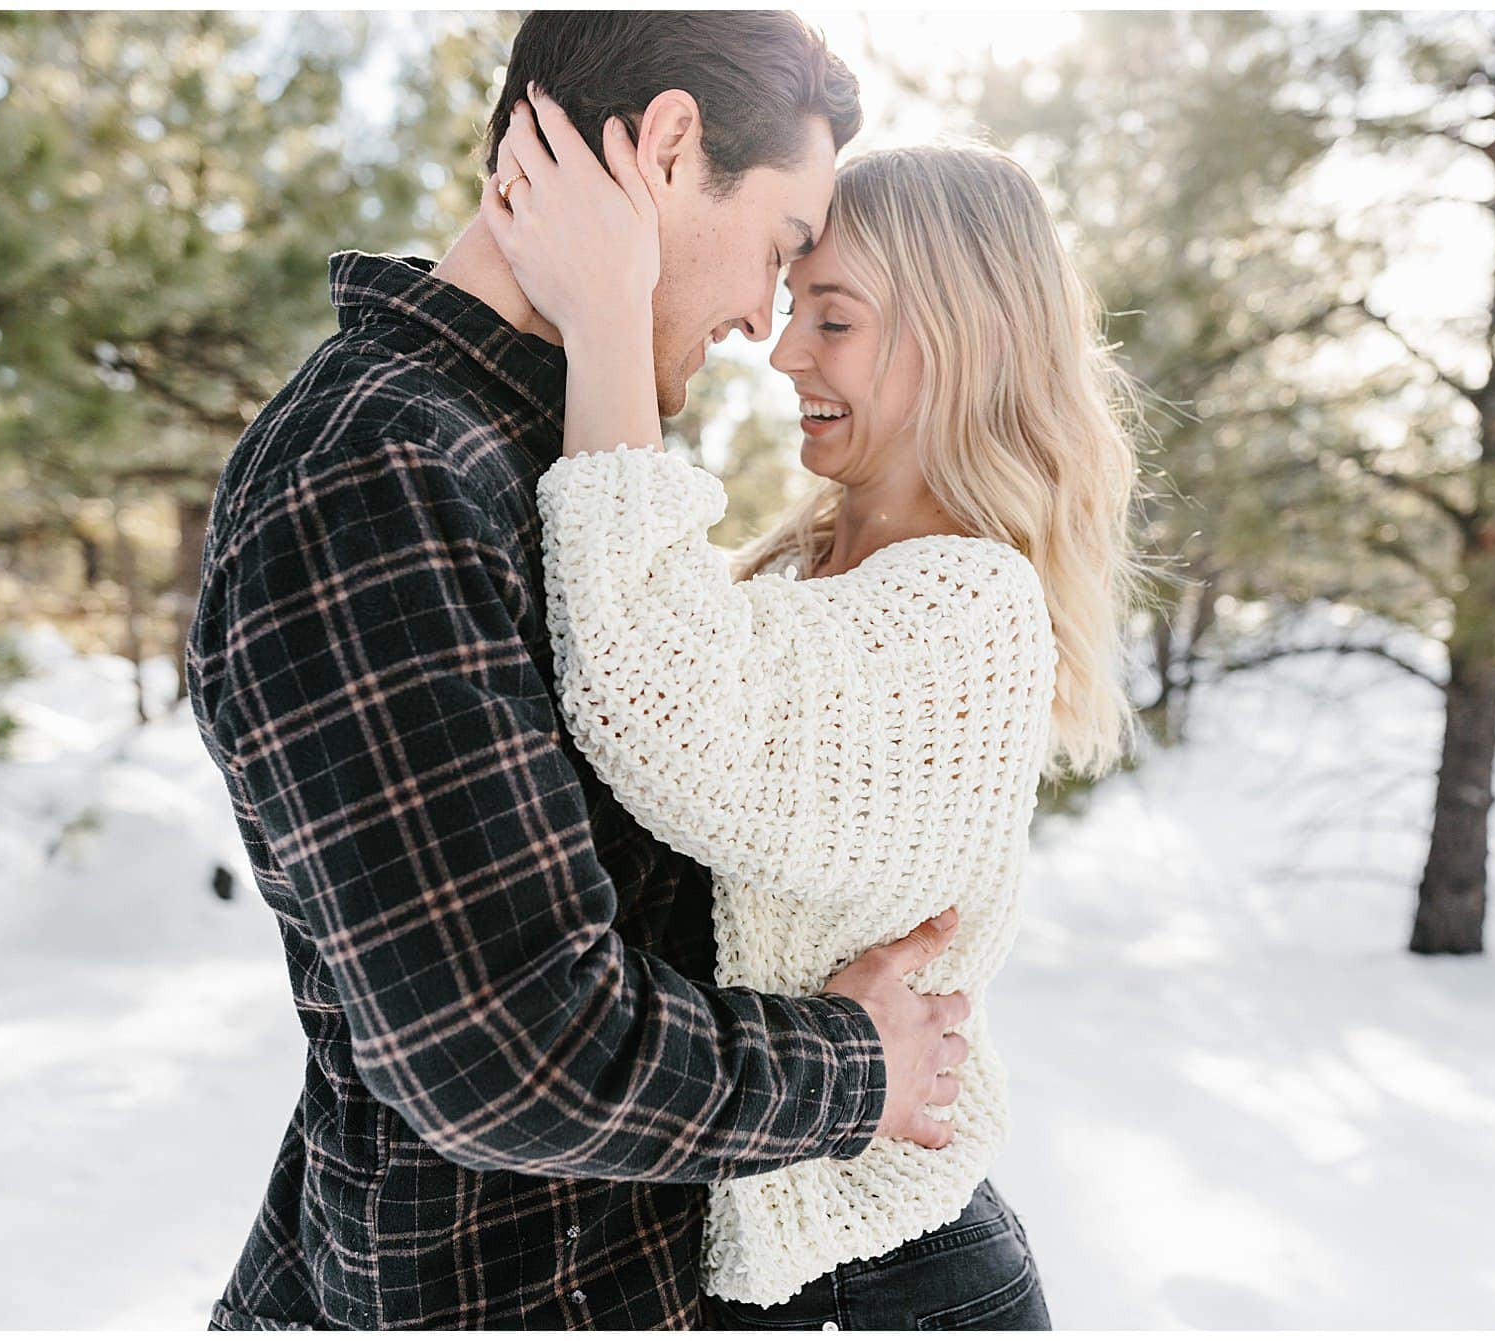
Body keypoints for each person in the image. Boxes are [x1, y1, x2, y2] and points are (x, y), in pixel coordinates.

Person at [186, 13, 974, 1330]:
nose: (760, 318)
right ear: (669, 146)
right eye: (779, 247)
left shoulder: (526, 452)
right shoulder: (382, 470)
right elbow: (507, 1046)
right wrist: (857, 1067)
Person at [479, 80, 1145, 1328]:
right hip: (758, 1255)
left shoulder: (969, 610)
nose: (782, 352)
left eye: (830, 319)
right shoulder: (801, 571)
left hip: (877, 1281)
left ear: (960, 341)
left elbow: (663, 712)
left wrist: (609, 320)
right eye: (792, 309)